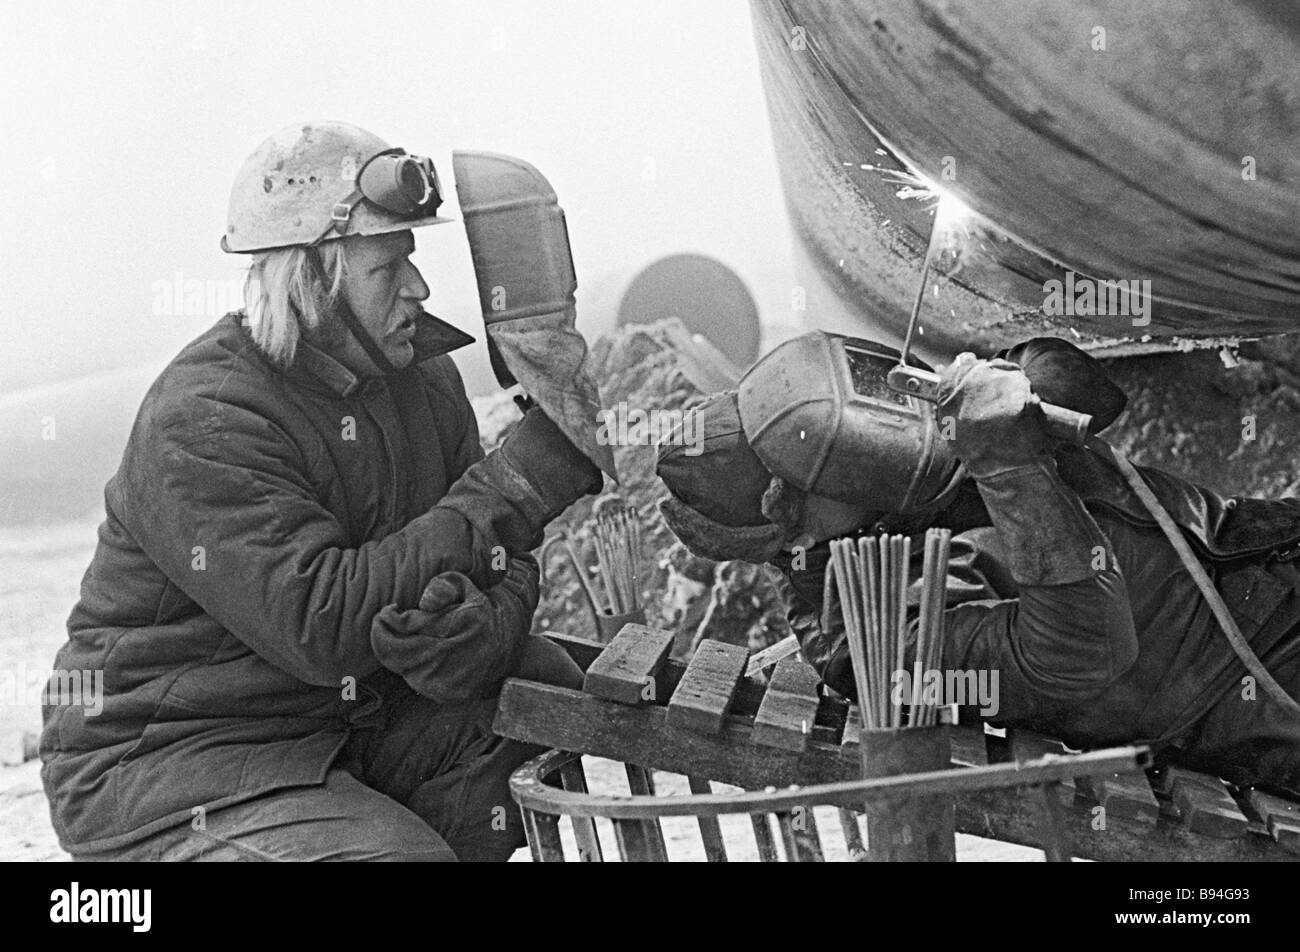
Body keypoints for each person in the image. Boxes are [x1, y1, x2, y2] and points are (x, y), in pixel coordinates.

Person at [40, 121, 601, 861]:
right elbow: (321, 627)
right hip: (176, 763)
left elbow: (507, 557)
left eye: (412, 257)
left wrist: (483, 625)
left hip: (338, 723)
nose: (419, 288)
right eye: (386, 267)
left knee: (537, 690)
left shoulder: (421, 380)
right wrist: (517, 485)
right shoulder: (208, 418)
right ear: (313, 281)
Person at [656, 336, 1300, 795]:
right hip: (1261, 686)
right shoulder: (871, 629)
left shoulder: (902, 479)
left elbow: (1091, 388)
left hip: (1266, 541)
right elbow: (1078, 649)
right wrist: (1011, 468)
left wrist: (1011, 376)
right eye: (822, 457)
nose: (862, 441)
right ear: (787, 520)